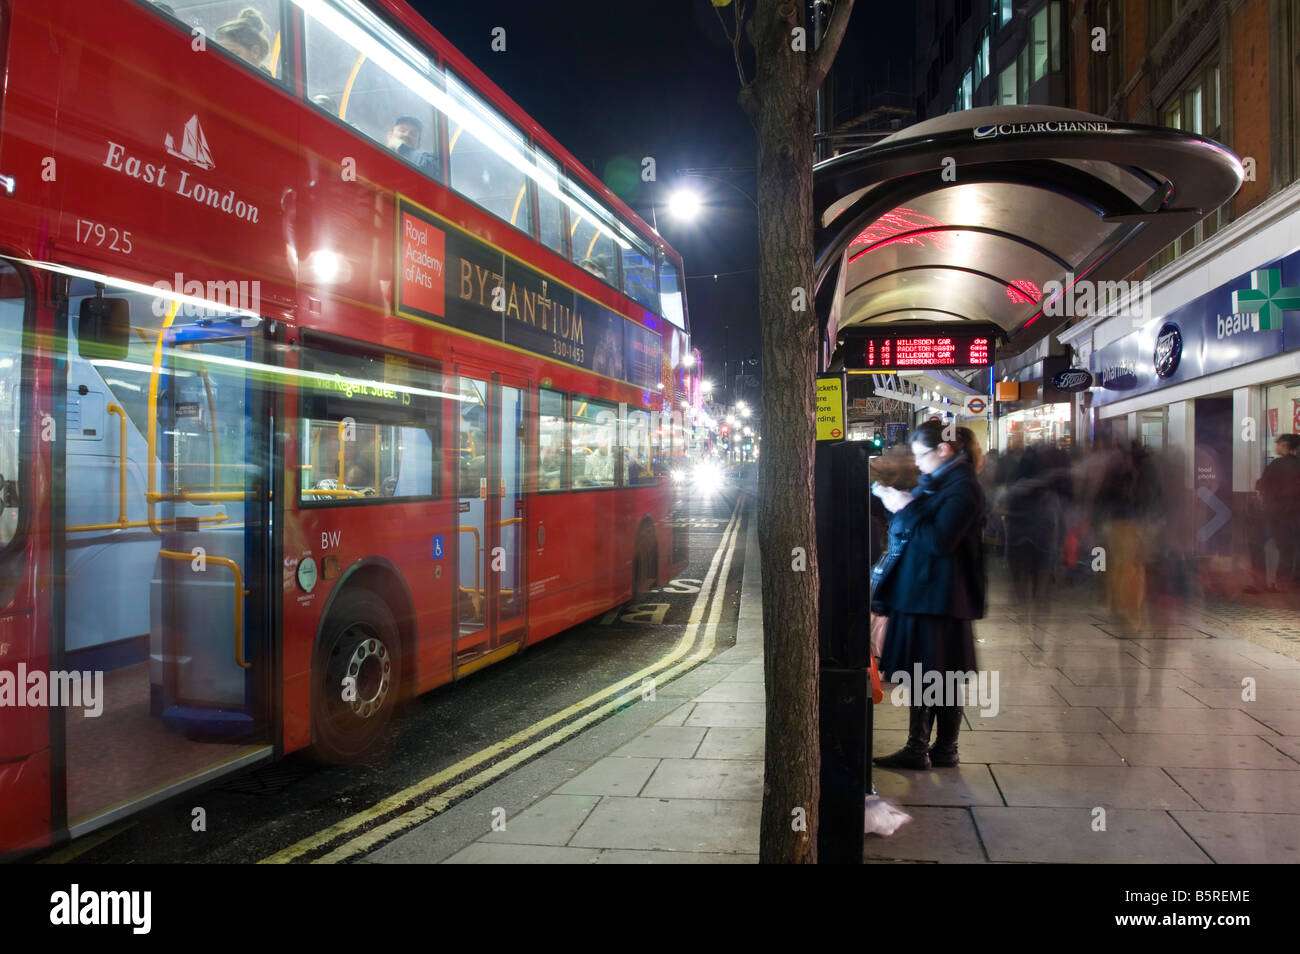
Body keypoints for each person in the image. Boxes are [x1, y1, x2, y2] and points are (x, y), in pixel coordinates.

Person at [870, 420, 986, 770]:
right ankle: (936, 749)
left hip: (939, 597)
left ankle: (925, 748)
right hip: (928, 593)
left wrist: (905, 506)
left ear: (944, 450)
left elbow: (939, 541)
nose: (917, 463)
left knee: (934, 673)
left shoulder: (963, 488)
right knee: (935, 672)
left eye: (922, 454)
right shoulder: (941, 482)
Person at [1256, 434, 1300, 590]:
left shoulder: (1277, 464)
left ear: (1285, 445)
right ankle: (1293, 582)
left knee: (1284, 548)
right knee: (1294, 547)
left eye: (1278, 444)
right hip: (1295, 513)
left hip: (1278, 513)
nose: (1276, 447)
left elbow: (1262, 485)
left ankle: (1282, 583)